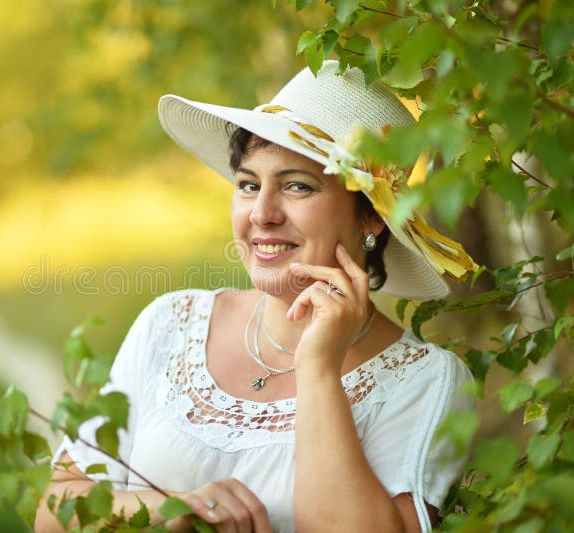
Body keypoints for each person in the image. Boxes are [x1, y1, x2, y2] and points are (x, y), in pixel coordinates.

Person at [35, 60, 479, 533]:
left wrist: (319, 368)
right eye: (249, 185)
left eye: (297, 186)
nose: (262, 213)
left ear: (372, 218)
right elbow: (56, 512)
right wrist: (172, 508)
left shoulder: (424, 381)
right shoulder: (171, 322)